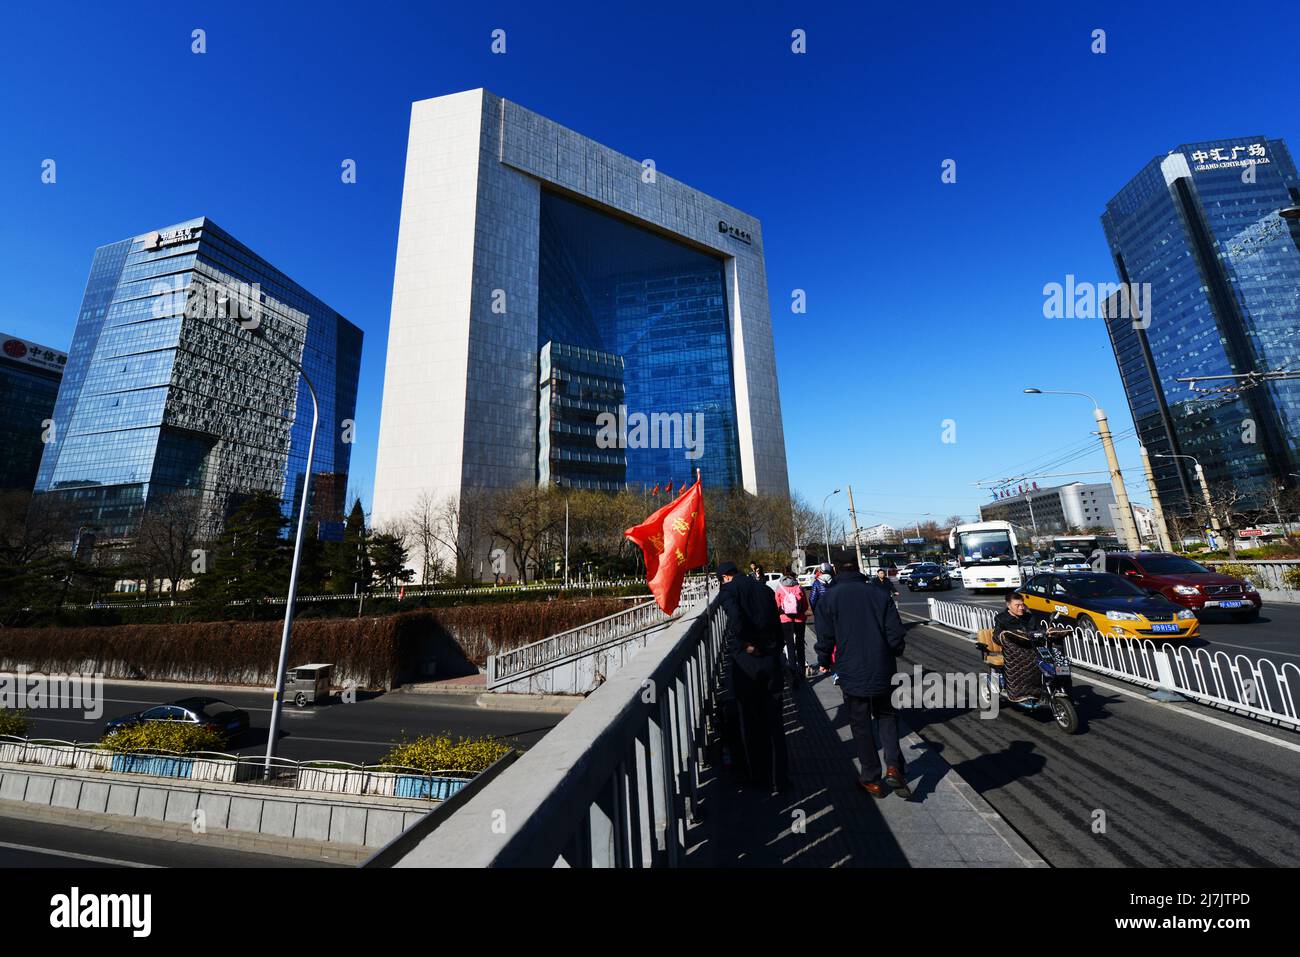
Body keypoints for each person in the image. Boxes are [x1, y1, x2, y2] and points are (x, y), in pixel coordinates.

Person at [813, 560, 909, 798]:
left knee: (861, 724)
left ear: (836, 571)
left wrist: (824, 660)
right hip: (882, 666)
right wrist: (894, 651)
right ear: (858, 570)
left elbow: (825, 637)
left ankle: (871, 778)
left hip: (850, 670)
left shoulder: (829, 598)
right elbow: (895, 633)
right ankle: (894, 765)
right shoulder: (879, 593)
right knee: (887, 716)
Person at [717, 561, 790, 792]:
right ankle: (781, 778)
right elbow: (777, 626)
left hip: (748, 664)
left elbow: (736, 618)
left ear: (725, 577)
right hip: (771, 659)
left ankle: (759, 777)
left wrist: (747, 642)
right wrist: (774, 649)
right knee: (775, 721)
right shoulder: (763, 588)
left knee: (750, 721)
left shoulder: (729, 590)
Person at [993, 591, 1043, 702]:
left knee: (1057, 663)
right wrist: (1005, 636)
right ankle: (1021, 693)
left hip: (1034, 650)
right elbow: (996, 636)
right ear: (1008, 605)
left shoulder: (1029, 617)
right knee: (1024, 664)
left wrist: (1046, 633)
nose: (1021, 608)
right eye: (1017, 605)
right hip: (1015, 654)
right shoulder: (1001, 619)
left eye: (1022, 604)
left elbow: (1039, 631)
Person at [774, 572, 812, 683]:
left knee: (790, 646)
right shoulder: (799, 587)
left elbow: (776, 605)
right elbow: (805, 606)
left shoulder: (779, 588)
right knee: (800, 644)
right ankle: (801, 670)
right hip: (799, 619)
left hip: (785, 620)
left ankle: (793, 672)